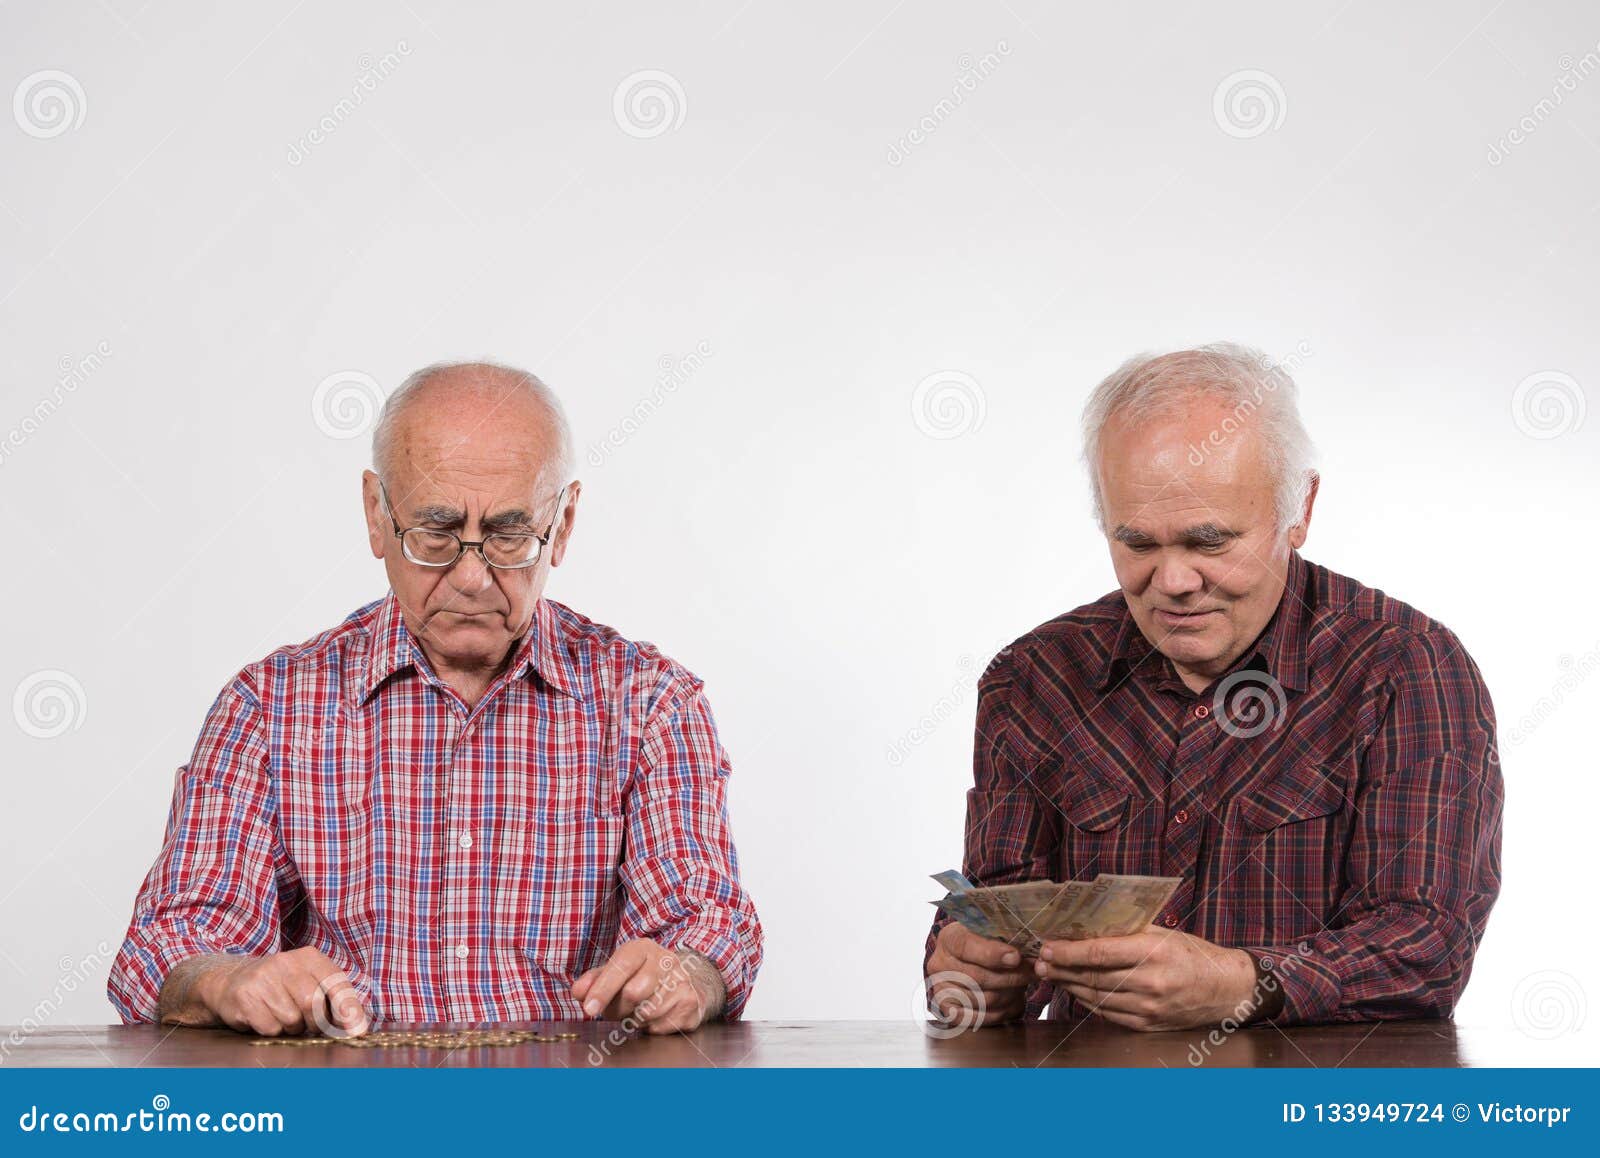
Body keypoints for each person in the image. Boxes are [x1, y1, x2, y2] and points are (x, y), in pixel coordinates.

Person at [108, 362, 762, 1036]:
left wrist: (689, 973)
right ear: (375, 515)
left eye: (510, 536)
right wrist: (226, 980)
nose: (473, 577)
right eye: (435, 535)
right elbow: (167, 947)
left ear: (562, 524)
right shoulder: (269, 708)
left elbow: (708, 926)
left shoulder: (652, 703)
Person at [925, 343, 1502, 1029]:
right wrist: (964, 965)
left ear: (1301, 510)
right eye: (1137, 544)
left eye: (1209, 543)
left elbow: (1428, 946)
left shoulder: (1407, 670)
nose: (1172, 582)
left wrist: (1239, 986)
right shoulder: (1032, 680)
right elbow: (992, 918)